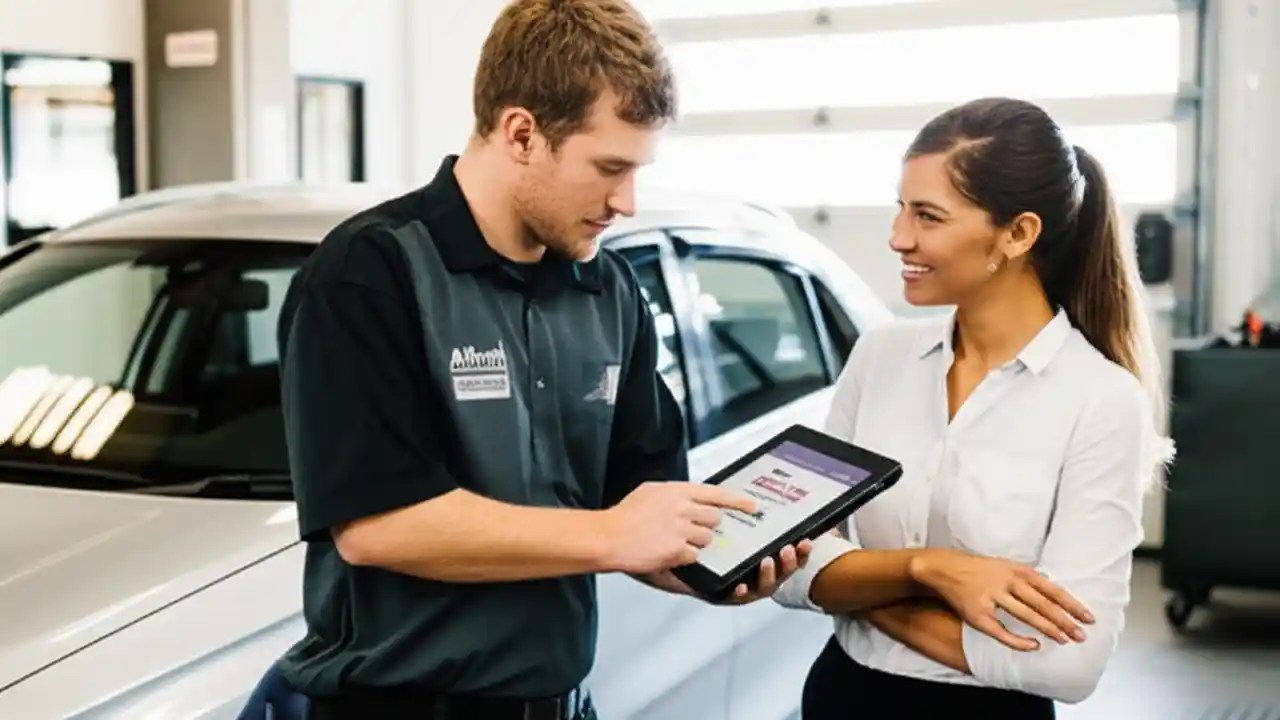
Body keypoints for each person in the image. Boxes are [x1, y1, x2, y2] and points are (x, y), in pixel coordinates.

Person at [271, 1, 810, 718]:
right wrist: (614, 535)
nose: (626, 201)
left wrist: (712, 565)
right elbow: (377, 527)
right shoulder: (371, 272)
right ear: (521, 132)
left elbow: (637, 504)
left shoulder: (609, 288)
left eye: (638, 169)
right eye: (609, 168)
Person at [772, 96, 1175, 719]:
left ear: (1018, 233)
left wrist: (855, 586)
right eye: (900, 208)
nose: (897, 236)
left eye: (928, 216)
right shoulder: (880, 357)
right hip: (840, 696)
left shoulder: (1099, 400)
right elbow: (791, 564)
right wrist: (933, 570)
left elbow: (1067, 664)